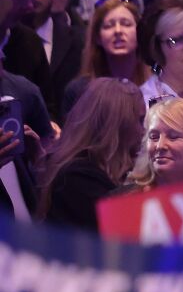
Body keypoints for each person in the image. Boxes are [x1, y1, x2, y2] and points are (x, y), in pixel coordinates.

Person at [36, 77, 146, 229]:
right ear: (117, 126)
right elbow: (126, 229)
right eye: (140, 120)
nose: (144, 131)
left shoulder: (115, 168)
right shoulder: (76, 178)